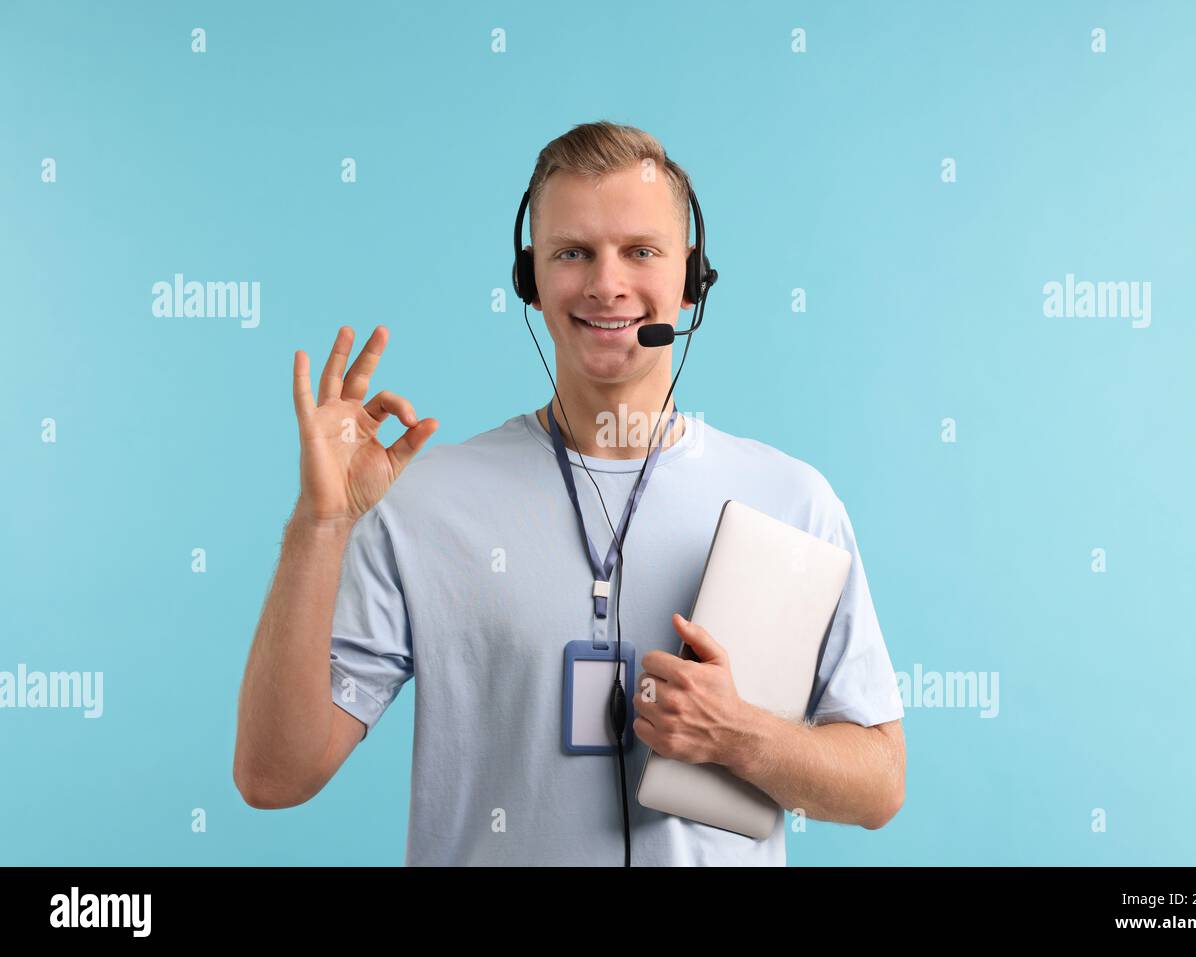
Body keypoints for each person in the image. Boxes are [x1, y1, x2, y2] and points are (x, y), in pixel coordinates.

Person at [233, 120, 906, 866]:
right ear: (531, 281)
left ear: (692, 278)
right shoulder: (423, 501)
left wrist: (742, 736)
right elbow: (273, 775)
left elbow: (879, 785)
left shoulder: (793, 501)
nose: (606, 284)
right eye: (572, 253)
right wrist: (320, 524)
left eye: (640, 251)